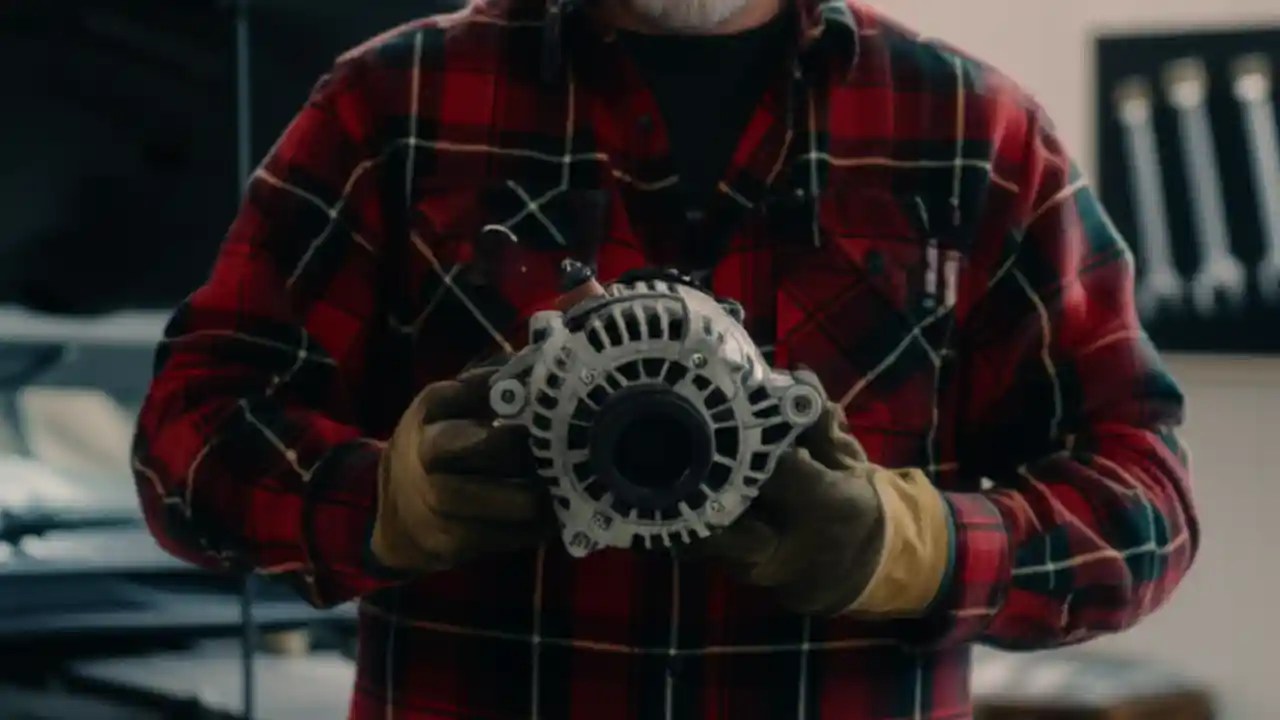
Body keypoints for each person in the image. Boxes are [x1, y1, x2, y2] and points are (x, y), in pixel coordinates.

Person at [131, 0, 1200, 717]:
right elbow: (190, 431)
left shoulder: (975, 134)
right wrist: (382, 502)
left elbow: (1142, 502)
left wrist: (907, 546)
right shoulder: (393, 108)